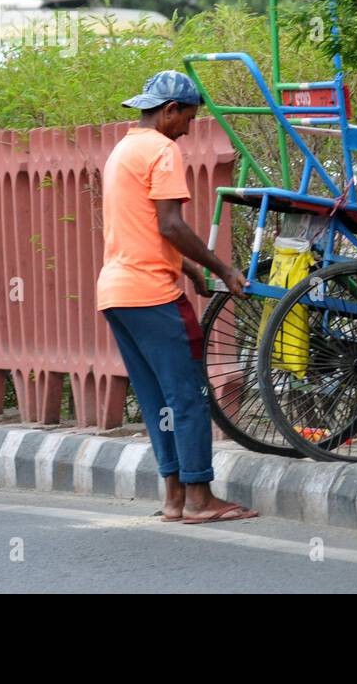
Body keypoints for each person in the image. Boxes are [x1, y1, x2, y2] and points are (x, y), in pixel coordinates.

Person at [96, 70, 258, 524]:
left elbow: (141, 230)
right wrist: (222, 268)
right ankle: (201, 499)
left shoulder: (122, 150)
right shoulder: (163, 150)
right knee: (187, 396)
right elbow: (170, 225)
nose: (189, 127)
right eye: (188, 116)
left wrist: (187, 268)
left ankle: (174, 499)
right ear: (170, 110)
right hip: (152, 295)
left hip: (116, 292)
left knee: (157, 400)